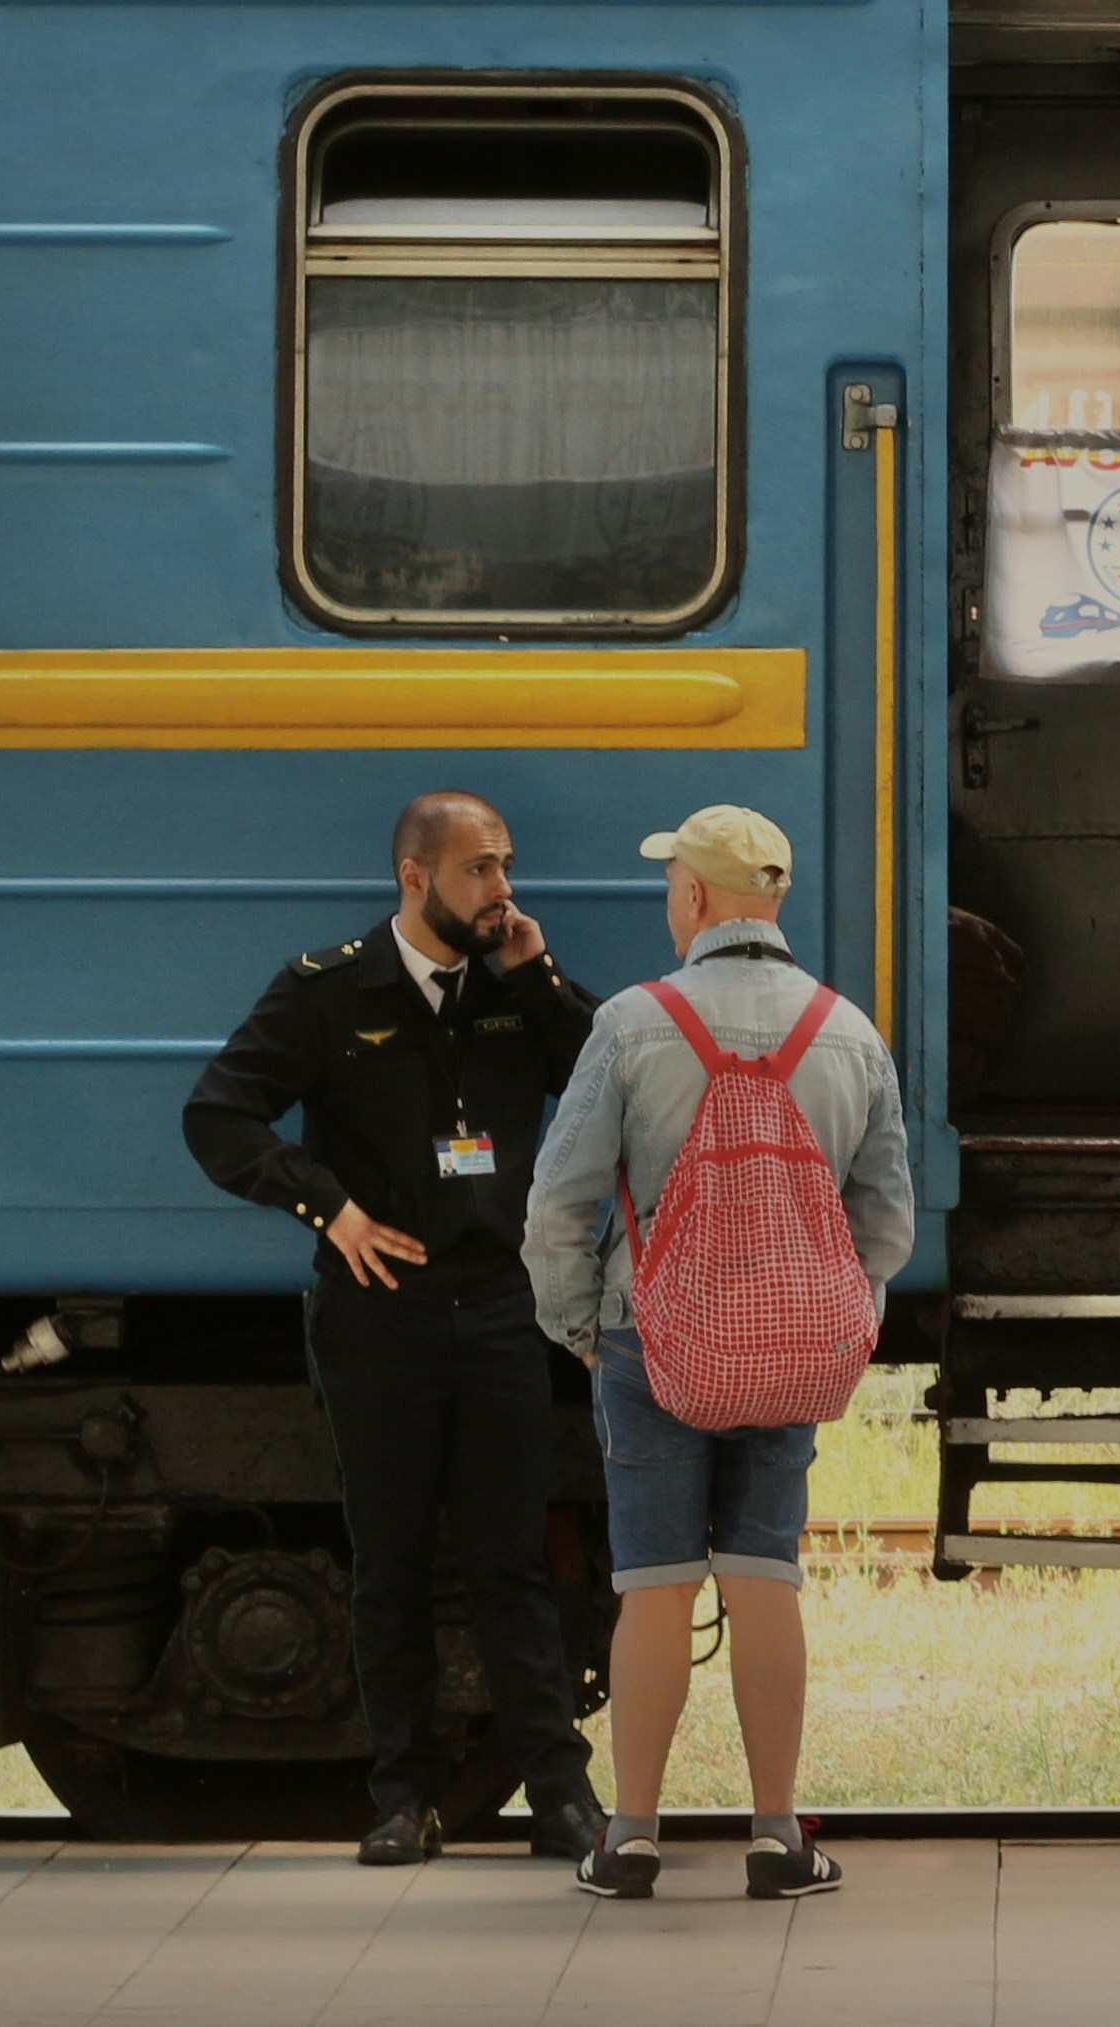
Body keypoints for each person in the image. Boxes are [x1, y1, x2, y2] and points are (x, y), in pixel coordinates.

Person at [183, 790, 608, 1867]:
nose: (501, 888)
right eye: (478, 869)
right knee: (393, 1563)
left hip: (501, 1310)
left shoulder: (517, 985)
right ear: (414, 877)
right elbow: (217, 1112)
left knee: (514, 1563)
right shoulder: (330, 990)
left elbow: (610, 1079)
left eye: (506, 865)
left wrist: (542, 976)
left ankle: (560, 1797)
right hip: (381, 1320)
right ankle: (402, 1796)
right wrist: (326, 1204)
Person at [528, 804, 911, 1901]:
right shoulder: (847, 1029)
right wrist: (835, 1316)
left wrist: (581, 1325)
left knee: (651, 1582)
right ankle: (778, 1836)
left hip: (652, 1338)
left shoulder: (636, 1022)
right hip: (790, 1349)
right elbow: (884, 1224)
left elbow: (557, 1201)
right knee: (763, 1574)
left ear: (692, 897)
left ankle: (632, 1836)